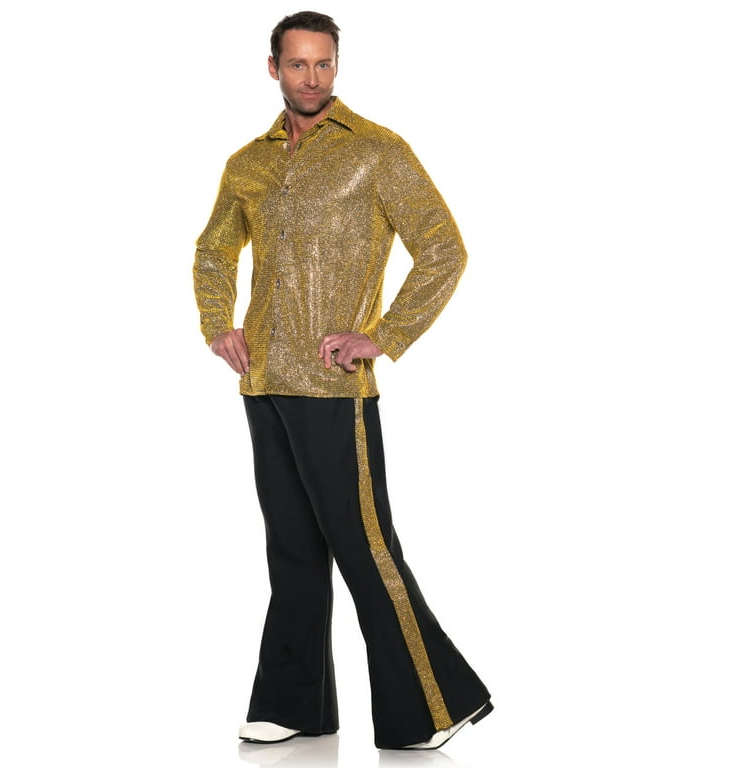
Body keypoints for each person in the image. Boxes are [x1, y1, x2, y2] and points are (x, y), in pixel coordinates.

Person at [193, 10, 493, 751]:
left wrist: (383, 336)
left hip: (335, 387)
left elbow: (444, 249)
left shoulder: (377, 151)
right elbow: (214, 250)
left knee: (365, 548)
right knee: (292, 551)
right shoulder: (248, 163)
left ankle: (435, 706)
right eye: (297, 64)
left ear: (337, 65)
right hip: (263, 381)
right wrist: (217, 324)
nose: (312, 78)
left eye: (323, 63)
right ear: (274, 68)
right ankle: (294, 703)